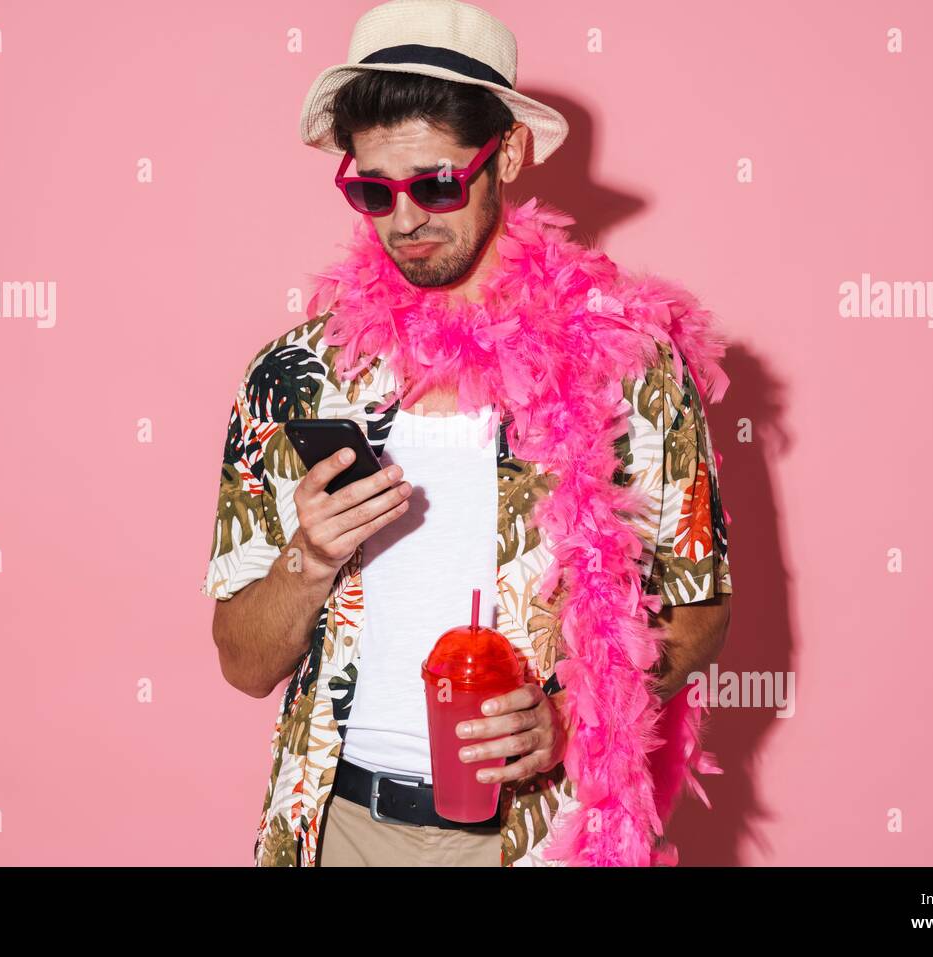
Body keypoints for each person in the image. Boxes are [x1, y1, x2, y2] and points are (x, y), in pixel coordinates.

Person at [203, 0, 733, 867]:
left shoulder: (629, 363)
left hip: (534, 837)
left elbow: (704, 601)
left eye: (437, 183)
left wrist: (573, 712)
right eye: (373, 190)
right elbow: (243, 661)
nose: (405, 218)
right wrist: (307, 557)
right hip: (341, 827)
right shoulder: (293, 377)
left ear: (508, 155)